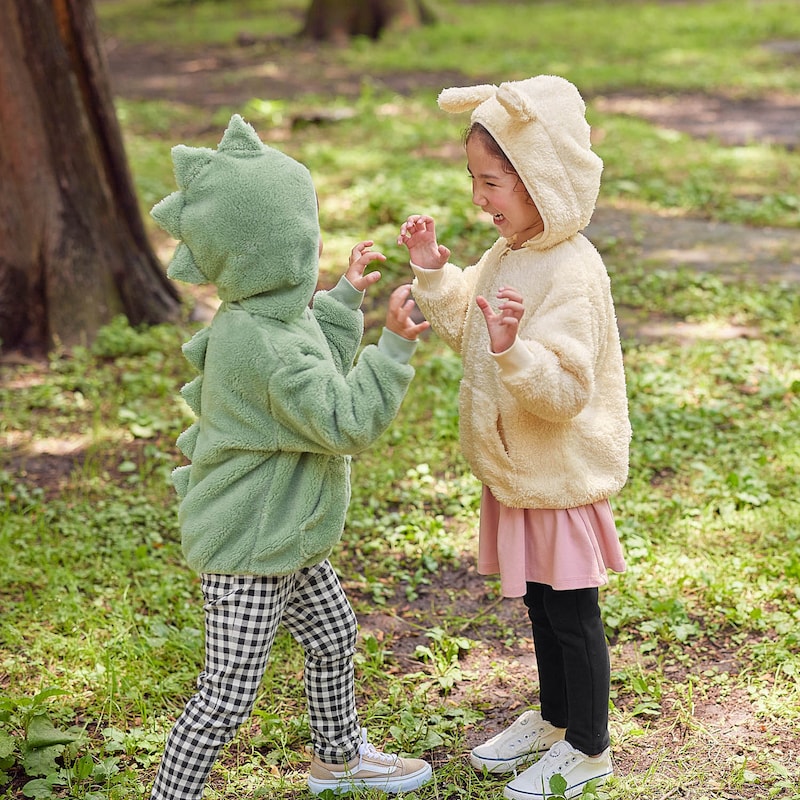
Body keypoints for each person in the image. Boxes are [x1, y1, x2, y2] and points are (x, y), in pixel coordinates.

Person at [148, 114, 433, 799]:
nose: (313, 242)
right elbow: (343, 418)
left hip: (287, 532)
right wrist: (391, 347)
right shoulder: (265, 348)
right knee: (227, 696)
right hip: (249, 544)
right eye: (306, 234)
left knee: (334, 635)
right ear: (274, 247)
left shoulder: (264, 312)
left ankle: (338, 759)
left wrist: (343, 299)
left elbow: (312, 362)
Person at [397, 75, 632, 800]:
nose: (478, 197)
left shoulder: (572, 271)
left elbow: (564, 393)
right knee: (539, 602)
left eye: (492, 181)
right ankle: (556, 719)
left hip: (559, 473)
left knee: (571, 611)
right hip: (519, 471)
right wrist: (437, 275)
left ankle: (589, 748)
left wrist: (513, 351)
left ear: (540, 182)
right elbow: (473, 325)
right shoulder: (509, 256)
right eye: (473, 179)